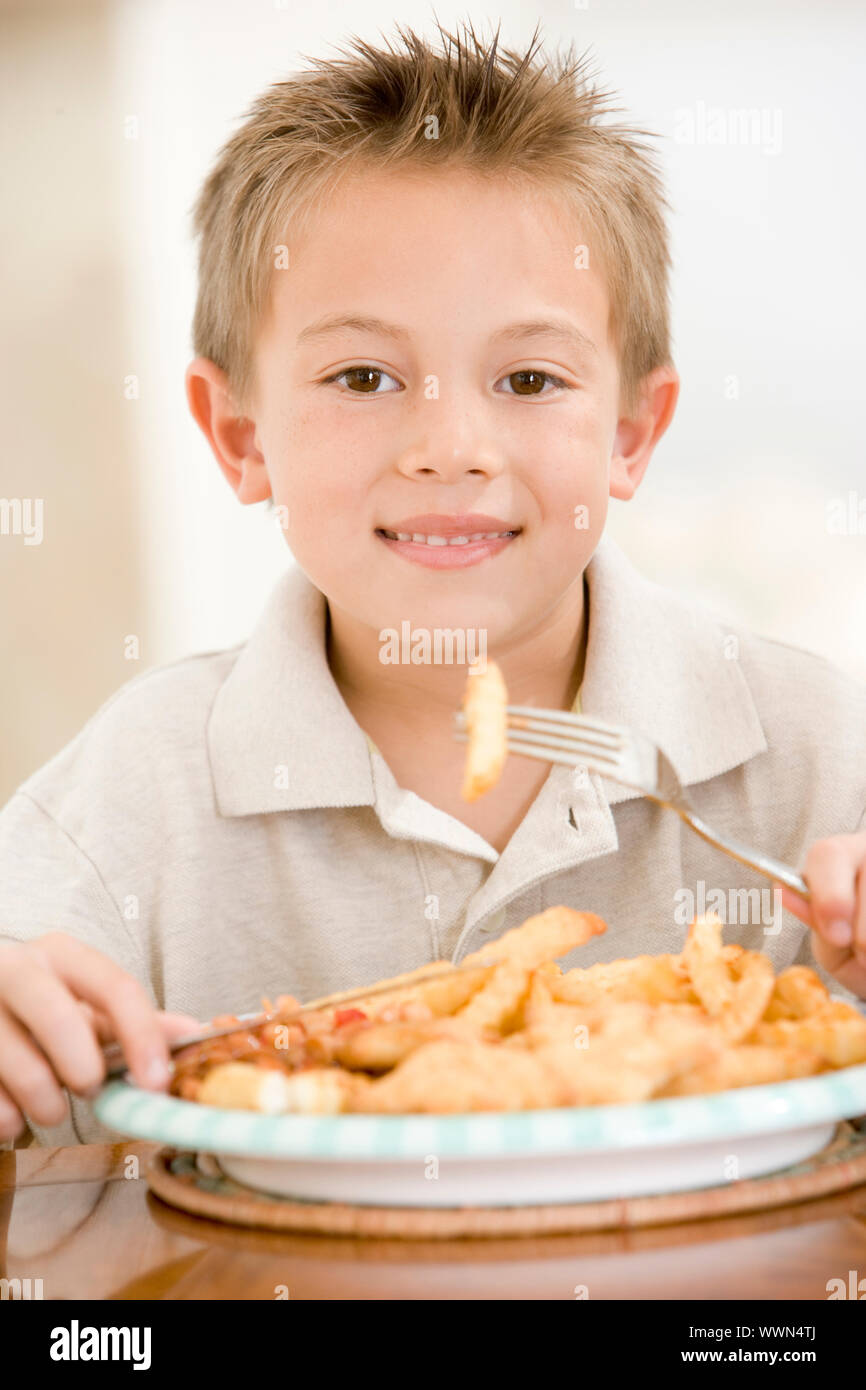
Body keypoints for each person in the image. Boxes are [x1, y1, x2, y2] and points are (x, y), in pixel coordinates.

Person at [1, 21, 864, 1147]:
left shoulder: (815, 759)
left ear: (629, 435)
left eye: (525, 376)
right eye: (363, 374)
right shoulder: (123, 805)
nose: (449, 445)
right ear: (239, 435)